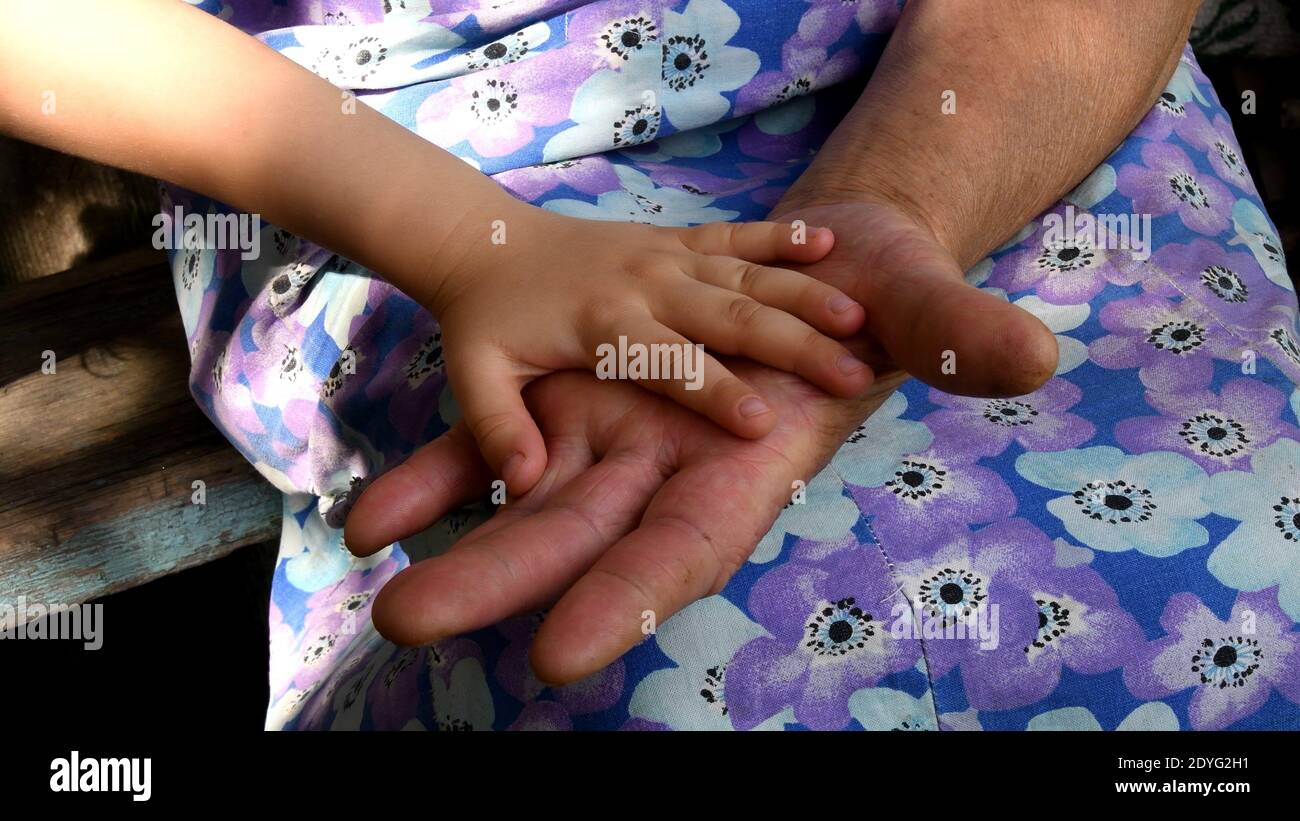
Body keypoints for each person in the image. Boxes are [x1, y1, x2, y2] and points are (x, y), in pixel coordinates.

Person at [8, 0, 1299, 730]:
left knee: (1246, 611)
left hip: (998, 93)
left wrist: (895, 209)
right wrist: (469, 244)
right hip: (392, 156)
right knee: (665, 667)